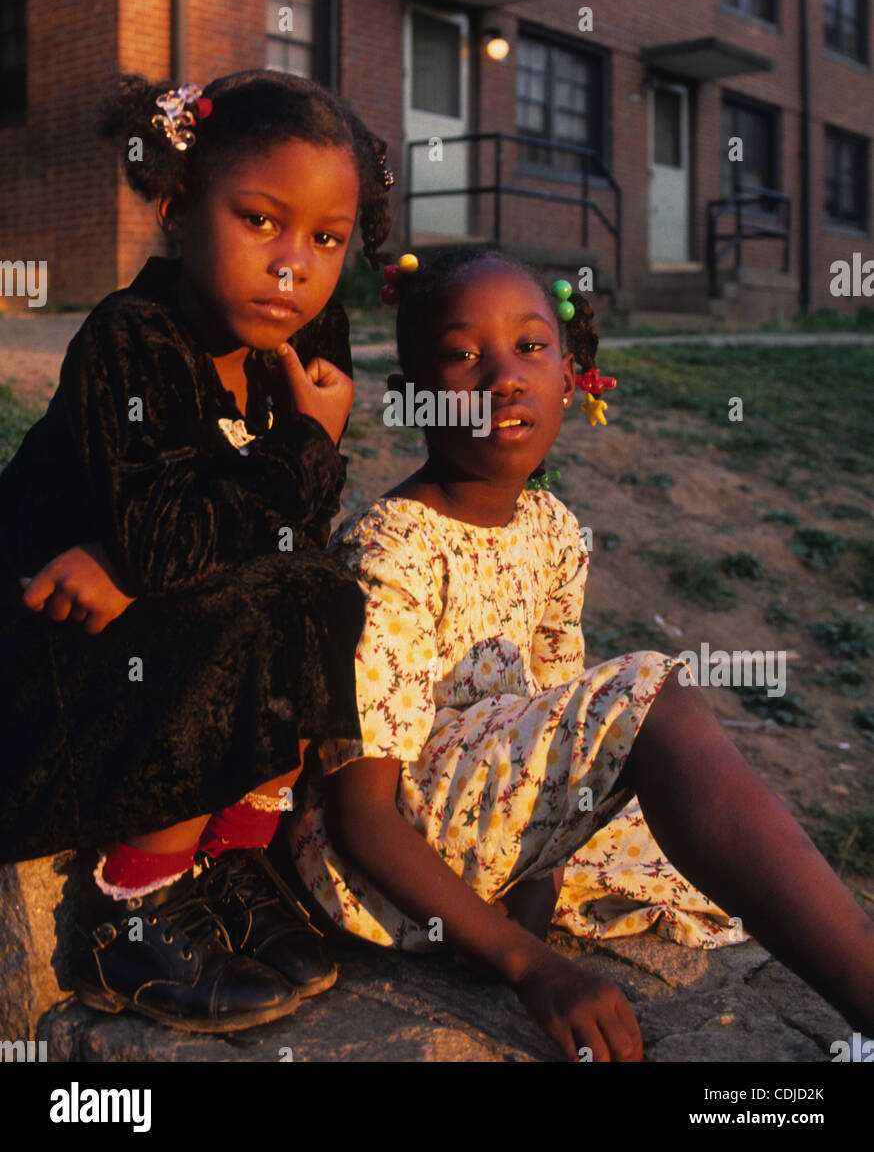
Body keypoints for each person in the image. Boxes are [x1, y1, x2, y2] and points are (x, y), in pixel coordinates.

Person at [283, 244, 874, 1062]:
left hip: (486, 836)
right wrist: (531, 964)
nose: (504, 377)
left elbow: (560, 739)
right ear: (416, 397)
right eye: (462, 357)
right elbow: (361, 819)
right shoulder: (392, 548)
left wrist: (534, 893)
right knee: (654, 701)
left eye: (530, 347)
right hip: (384, 874)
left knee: (709, 841)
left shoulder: (554, 531)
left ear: (572, 374)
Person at [0, 69, 393, 1033]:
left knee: (320, 593)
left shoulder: (290, 355)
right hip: (42, 693)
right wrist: (307, 445)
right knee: (261, 593)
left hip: (144, 671)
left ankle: (226, 859)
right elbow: (179, 544)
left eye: (326, 240)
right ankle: (127, 903)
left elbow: (276, 537)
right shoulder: (130, 342)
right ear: (179, 208)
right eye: (261, 221)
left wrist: (136, 561)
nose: (293, 265)